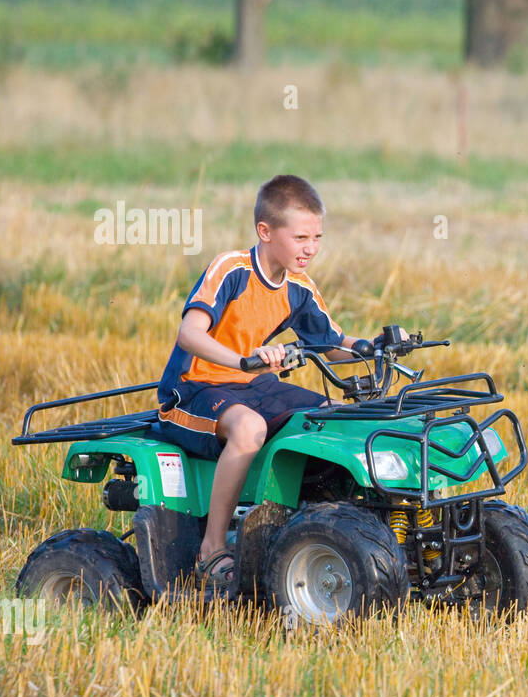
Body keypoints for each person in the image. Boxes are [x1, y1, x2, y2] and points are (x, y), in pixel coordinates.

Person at [154, 174, 389, 588]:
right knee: (250, 428)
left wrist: (373, 347)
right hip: (193, 388)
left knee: (329, 417)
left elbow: (331, 343)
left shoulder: (299, 286)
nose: (311, 248)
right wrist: (244, 363)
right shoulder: (232, 270)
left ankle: (314, 527)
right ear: (265, 231)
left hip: (250, 384)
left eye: (317, 236)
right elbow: (189, 334)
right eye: (300, 237)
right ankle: (211, 549)